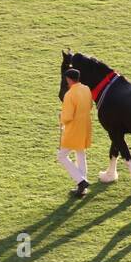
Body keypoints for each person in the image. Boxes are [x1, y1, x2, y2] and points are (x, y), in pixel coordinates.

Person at [57, 67, 92, 197]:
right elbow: (89, 106)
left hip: (74, 128)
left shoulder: (70, 94)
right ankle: (82, 186)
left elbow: (67, 117)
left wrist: (61, 117)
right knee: (80, 153)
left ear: (69, 79)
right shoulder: (86, 89)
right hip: (85, 126)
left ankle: (81, 181)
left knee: (61, 156)